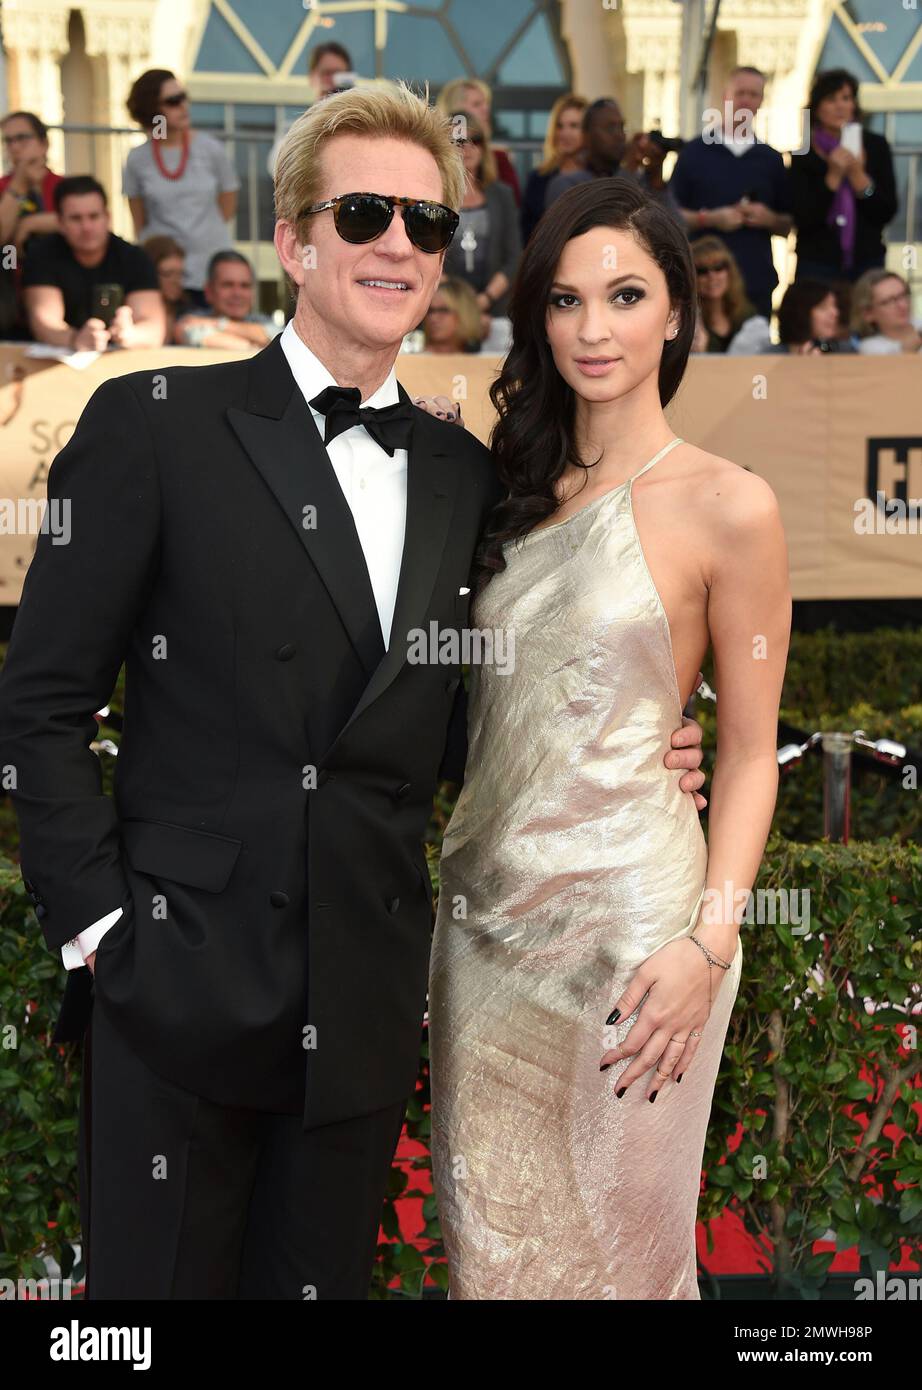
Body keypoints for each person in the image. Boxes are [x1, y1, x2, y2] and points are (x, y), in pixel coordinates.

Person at [0, 82, 707, 1301]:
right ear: (290, 241)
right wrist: (103, 936)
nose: (398, 244)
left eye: (427, 224)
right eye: (366, 212)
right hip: (174, 992)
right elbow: (41, 702)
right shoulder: (156, 423)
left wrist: (633, 744)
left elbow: (469, 725)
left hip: (363, 1009)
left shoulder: (463, 477)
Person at [428, 175, 791, 1300]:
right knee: (490, 1256)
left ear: (678, 311)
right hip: (483, 929)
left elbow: (744, 753)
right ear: (535, 314)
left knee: (624, 1262)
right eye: (567, 300)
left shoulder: (730, 504)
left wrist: (708, 944)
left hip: (640, 942)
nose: (594, 329)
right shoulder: (502, 490)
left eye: (626, 295)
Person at [670, 66, 791, 320]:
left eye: (754, 94)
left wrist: (768, 218)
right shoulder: (694, 153)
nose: (746, 101)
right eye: (740, 93)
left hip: (754, 283)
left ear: (761, 101)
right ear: (725, 97)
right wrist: (711, 219)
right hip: (702, 285)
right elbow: (669, 214)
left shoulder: (770, 159)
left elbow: (787, 224)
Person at [124, 69, 239, 304]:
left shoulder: (212, 149)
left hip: (209, 269)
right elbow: (139, 220)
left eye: (184, 97)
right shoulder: (137, 159)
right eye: (173, 101)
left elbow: (227, 204)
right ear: (152, 108)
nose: (183, 105)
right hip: (163, 274)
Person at [21, 175, 165, 350]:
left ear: (107, 217)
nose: (87, 227)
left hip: (122, 364)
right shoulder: (41, 256)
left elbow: (154, 328)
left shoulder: (134, 258)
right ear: (60, 222)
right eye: (76, 218)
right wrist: (76, 340)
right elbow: (44, 323)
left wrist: (130, 335)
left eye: (94, 216)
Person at [790, 68, 897, 286]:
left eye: (846, 98)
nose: (840, 106)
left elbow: (885, 211)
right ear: (817, 107)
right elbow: (804, 218)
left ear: (854, 106)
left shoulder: (875, 146)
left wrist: (859, 176)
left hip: (866, 260)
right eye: (831, 99)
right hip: (818, 262)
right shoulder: (805, 154)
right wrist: (833, 177)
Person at [442, 111, 521, 317]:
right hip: (444, 310)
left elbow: (514, 257)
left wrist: (485, 300)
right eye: (458, 141)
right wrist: (459, 302)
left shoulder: (502, 195)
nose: (467, 147)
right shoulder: (434, 195)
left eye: (475, 140)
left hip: (496, 311)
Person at [544, 98, 674, 215]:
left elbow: (677, 229)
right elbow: (609, 223)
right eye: (610, 128)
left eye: (622, 127)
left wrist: (656, 176)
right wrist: (629, 167)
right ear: (586, 135)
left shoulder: (638, 180)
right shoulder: (567, 185)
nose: (619, 135)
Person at [0, 111, 62, 337]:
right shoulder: (4, 187)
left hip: (58, 295)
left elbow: (85, 223)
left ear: (43, 143)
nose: (15, 147)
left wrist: (28, 224)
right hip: (10, 302)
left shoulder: (63, 185)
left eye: (22, 138)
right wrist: (19, 184)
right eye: (8, 140)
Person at [437, 77, 521, 204]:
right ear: (455, 110)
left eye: (476, 140)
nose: (485, 109)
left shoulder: (499, 158)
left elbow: (513, 206)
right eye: (477, 104)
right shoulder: (435, 159)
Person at [173, 249, 281, 349]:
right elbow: (185, 330)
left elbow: (276, 337)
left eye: (245, 286)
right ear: (209, 291)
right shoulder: (192, 319)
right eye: (227, 285)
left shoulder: (263, 321)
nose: (237, 293)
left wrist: (218, 324)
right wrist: (253, 344)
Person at [520, 94, 587, 243]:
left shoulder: (599, 176)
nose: (564, 133)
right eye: (559, 126)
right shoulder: (537, 178)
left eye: (574, 126)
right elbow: (527, 235)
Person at [692, 235, 772, 354]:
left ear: (729, 272)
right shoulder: (687, 320)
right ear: (691, 277)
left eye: (718, 268)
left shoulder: (747, 314)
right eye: (702, 271)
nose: (711, 276)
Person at [768, 278, 854, 354]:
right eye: (823, 307)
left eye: (835, 306)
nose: (835, 313)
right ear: (800, 313)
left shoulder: (847, 352)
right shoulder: (770, 357)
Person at [850, 269, 922, 355]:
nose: (902, 305)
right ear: (868, 313)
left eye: (903, 295)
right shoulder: (869, 348)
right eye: (888, 301)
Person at [142, 233, 191, 339]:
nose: (176, 281)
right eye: (168, 273)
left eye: (180, 274)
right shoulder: (135, 312)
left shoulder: (188, 310)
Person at [423, 275, 486, 353]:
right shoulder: (413, 359)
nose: (433, 318)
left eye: (443, 310)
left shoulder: (485, 361)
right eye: (430, 311)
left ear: (464, 313)